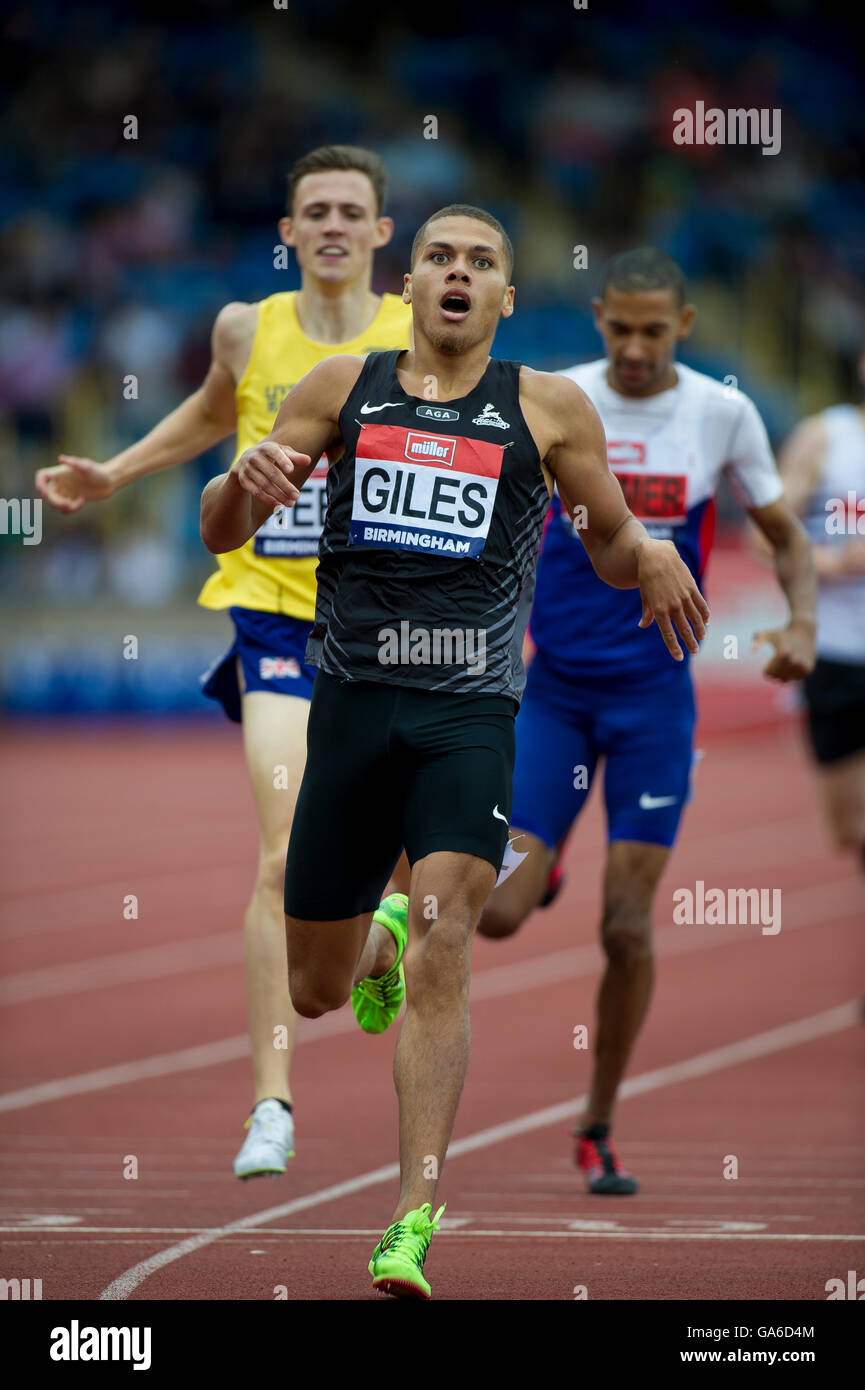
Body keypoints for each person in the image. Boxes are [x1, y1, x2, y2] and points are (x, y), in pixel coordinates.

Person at [200, 207, 710, 1298]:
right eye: (441, 258)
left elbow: (609, 536)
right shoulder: (342, 385)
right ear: (412, 279)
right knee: (316, 987)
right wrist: (239, 484)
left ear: (505, 296)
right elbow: (219, 528)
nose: (460, 275)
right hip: (349, 710)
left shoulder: (548, 406)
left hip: (469, 714)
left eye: (483, 262)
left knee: (447, 939)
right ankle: (365, 951)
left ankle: (410, 1215)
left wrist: (650, 547)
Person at [35, 146, 413, 1180]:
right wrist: (113, 471)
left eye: (352, 210)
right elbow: (214, 406)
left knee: (417, 854)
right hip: (272, 621)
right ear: (286, 231)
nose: (332, 225)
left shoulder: (413, 334)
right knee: (281, 852)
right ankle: (272, 1106)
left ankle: (380, 933)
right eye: (313, 211)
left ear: (384, 233)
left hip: (385, 632)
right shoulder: (248, 326)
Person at [477, 248, 817, 1196]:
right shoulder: (552, 398)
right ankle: (537, 877)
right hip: (551, 696)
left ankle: (595, 1125)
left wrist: (798, 621)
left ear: (685, 326)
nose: (632, 349)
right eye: (617, 328)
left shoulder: (721, 414)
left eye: (651, 332)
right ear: (596, 317)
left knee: (626, 929)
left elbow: (785, 536)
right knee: (495, 913)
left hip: (653, 707)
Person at [774, 352, 865, 872]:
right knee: (848, 827)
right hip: (835, 654)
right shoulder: (825, 439)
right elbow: (771, 538)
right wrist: (833, 562)